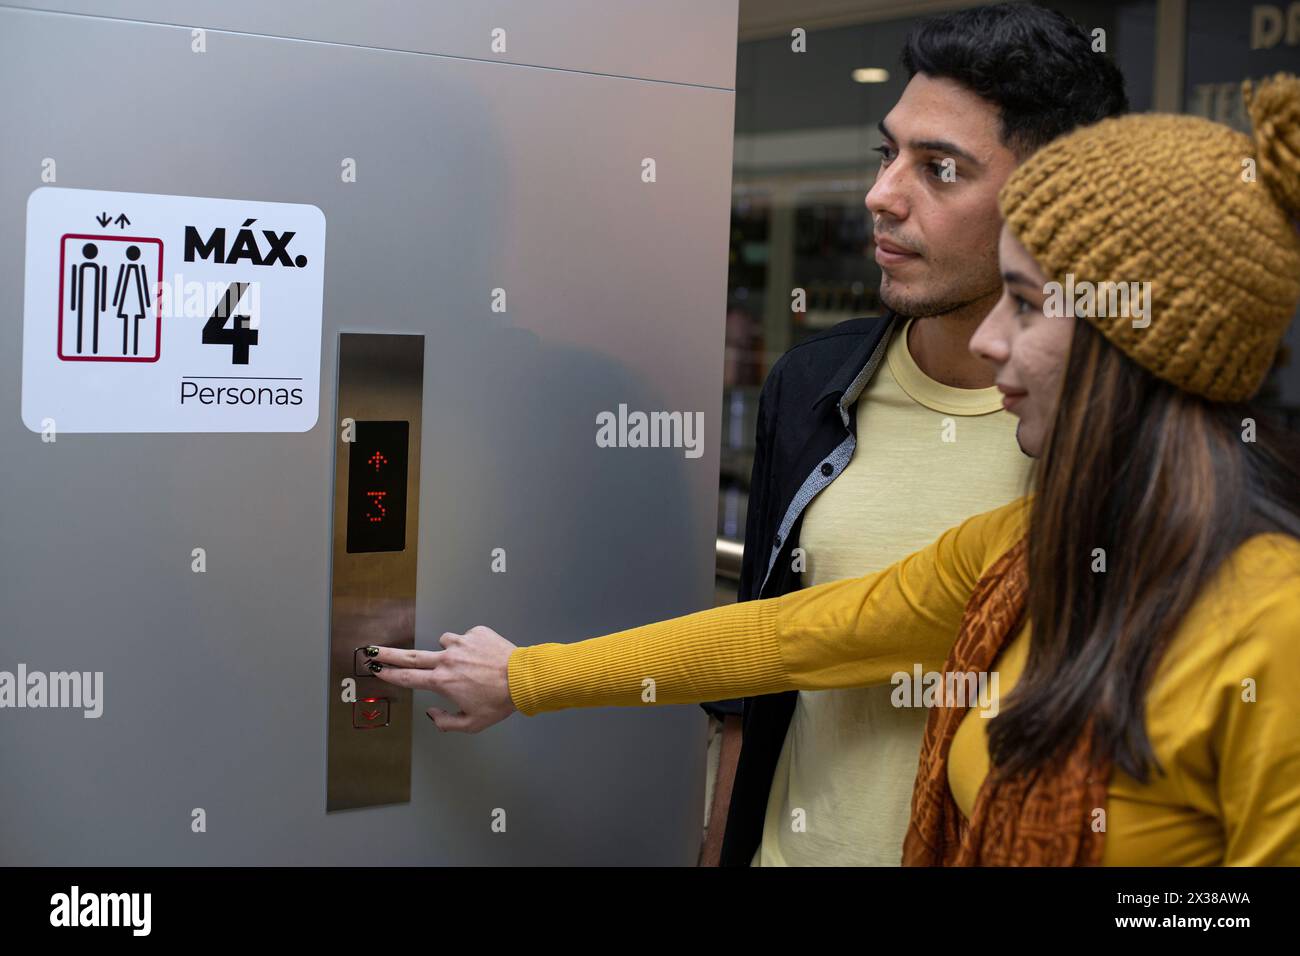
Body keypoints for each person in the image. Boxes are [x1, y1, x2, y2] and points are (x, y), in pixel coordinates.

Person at [367, 74, 1300, 864]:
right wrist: (527, 676)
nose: (990, 339)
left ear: (1129, 338)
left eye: (1025, 304)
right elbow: (791, 636)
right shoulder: (1025, 553)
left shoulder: (1273, 626)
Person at [703, 2, 1127, 867]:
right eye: (887, 153)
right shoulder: (817, 385)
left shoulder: (1113, 432)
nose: (881, 195)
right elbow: (757, 666)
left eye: (939, 169)